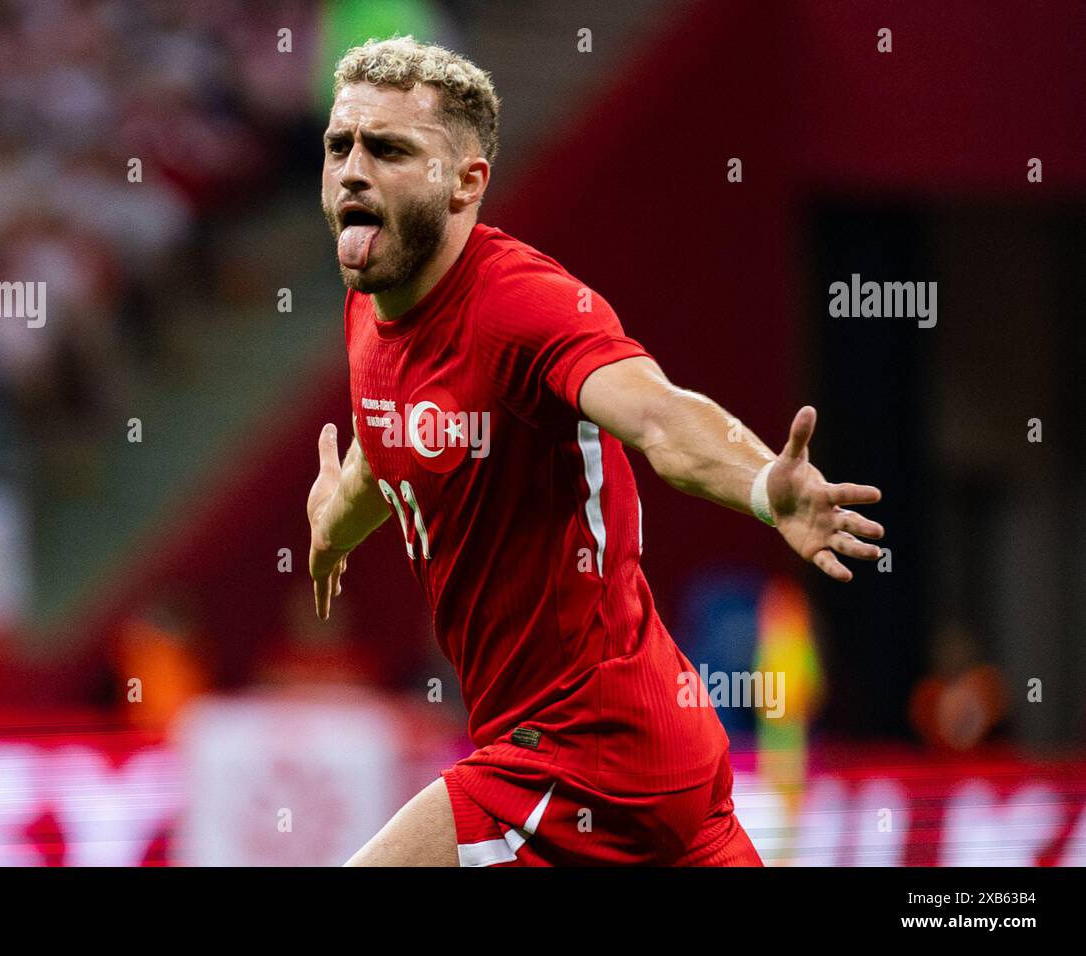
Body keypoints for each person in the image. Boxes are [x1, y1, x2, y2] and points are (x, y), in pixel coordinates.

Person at [306, 36, 884, 866]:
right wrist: (336, 520)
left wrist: (763, 483)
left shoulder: (523, 306)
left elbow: (657, 417)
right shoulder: (372, 312)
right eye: (339, 147)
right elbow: (389, 440)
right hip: (656, 755)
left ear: (467, 182)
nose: (353, 171)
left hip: (587, 754)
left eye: (389, 149)